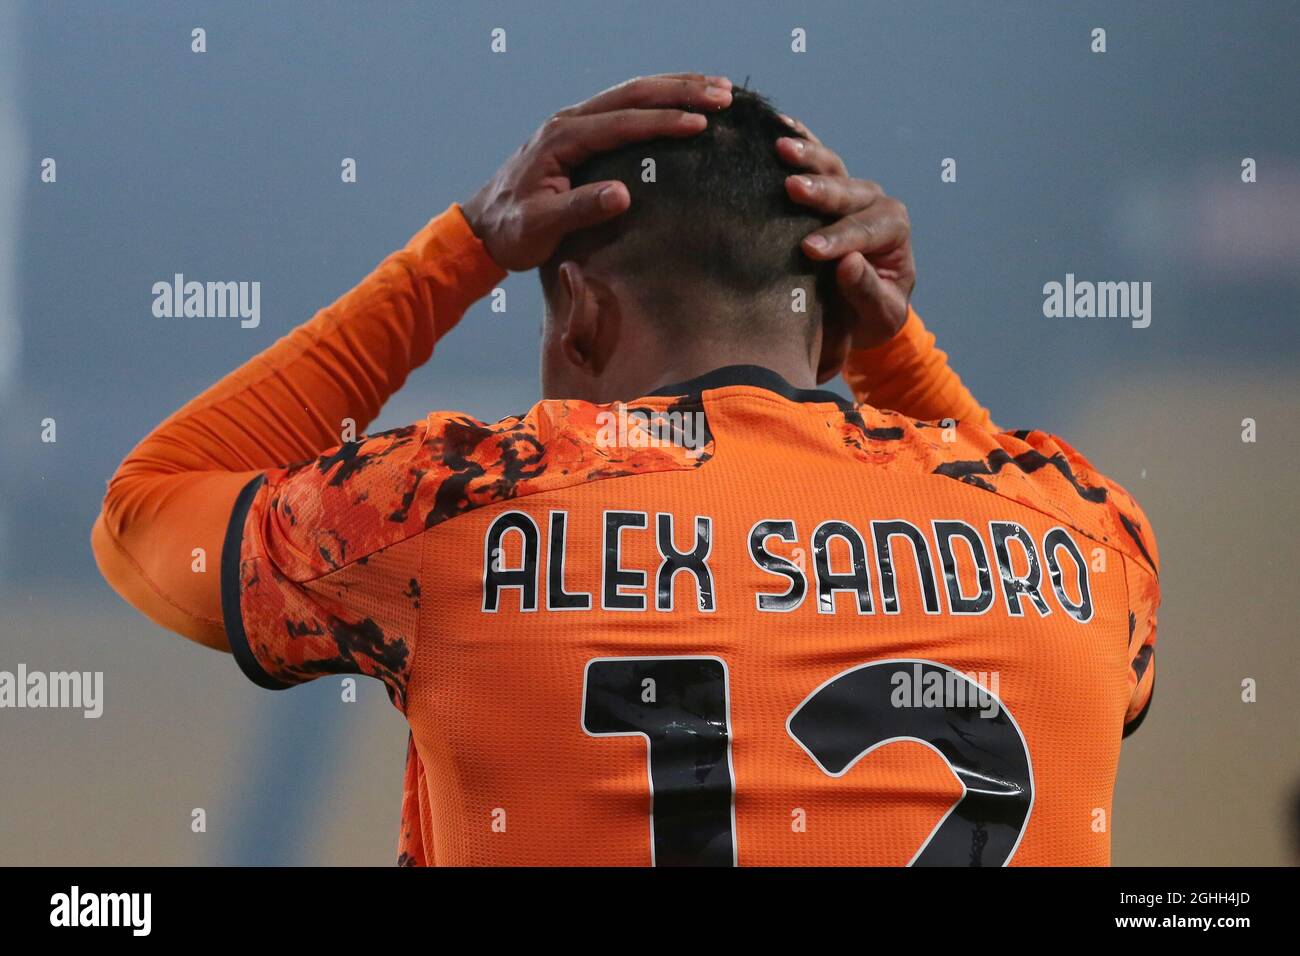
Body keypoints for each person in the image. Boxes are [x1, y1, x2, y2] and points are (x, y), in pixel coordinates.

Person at [92, 73, 1159, 866]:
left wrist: (460, 250)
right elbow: (995, 492)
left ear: (582, 308)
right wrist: (893, 348)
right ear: (834, 312)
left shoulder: (456, 501)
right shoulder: (1088, 539)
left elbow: (150, 507)